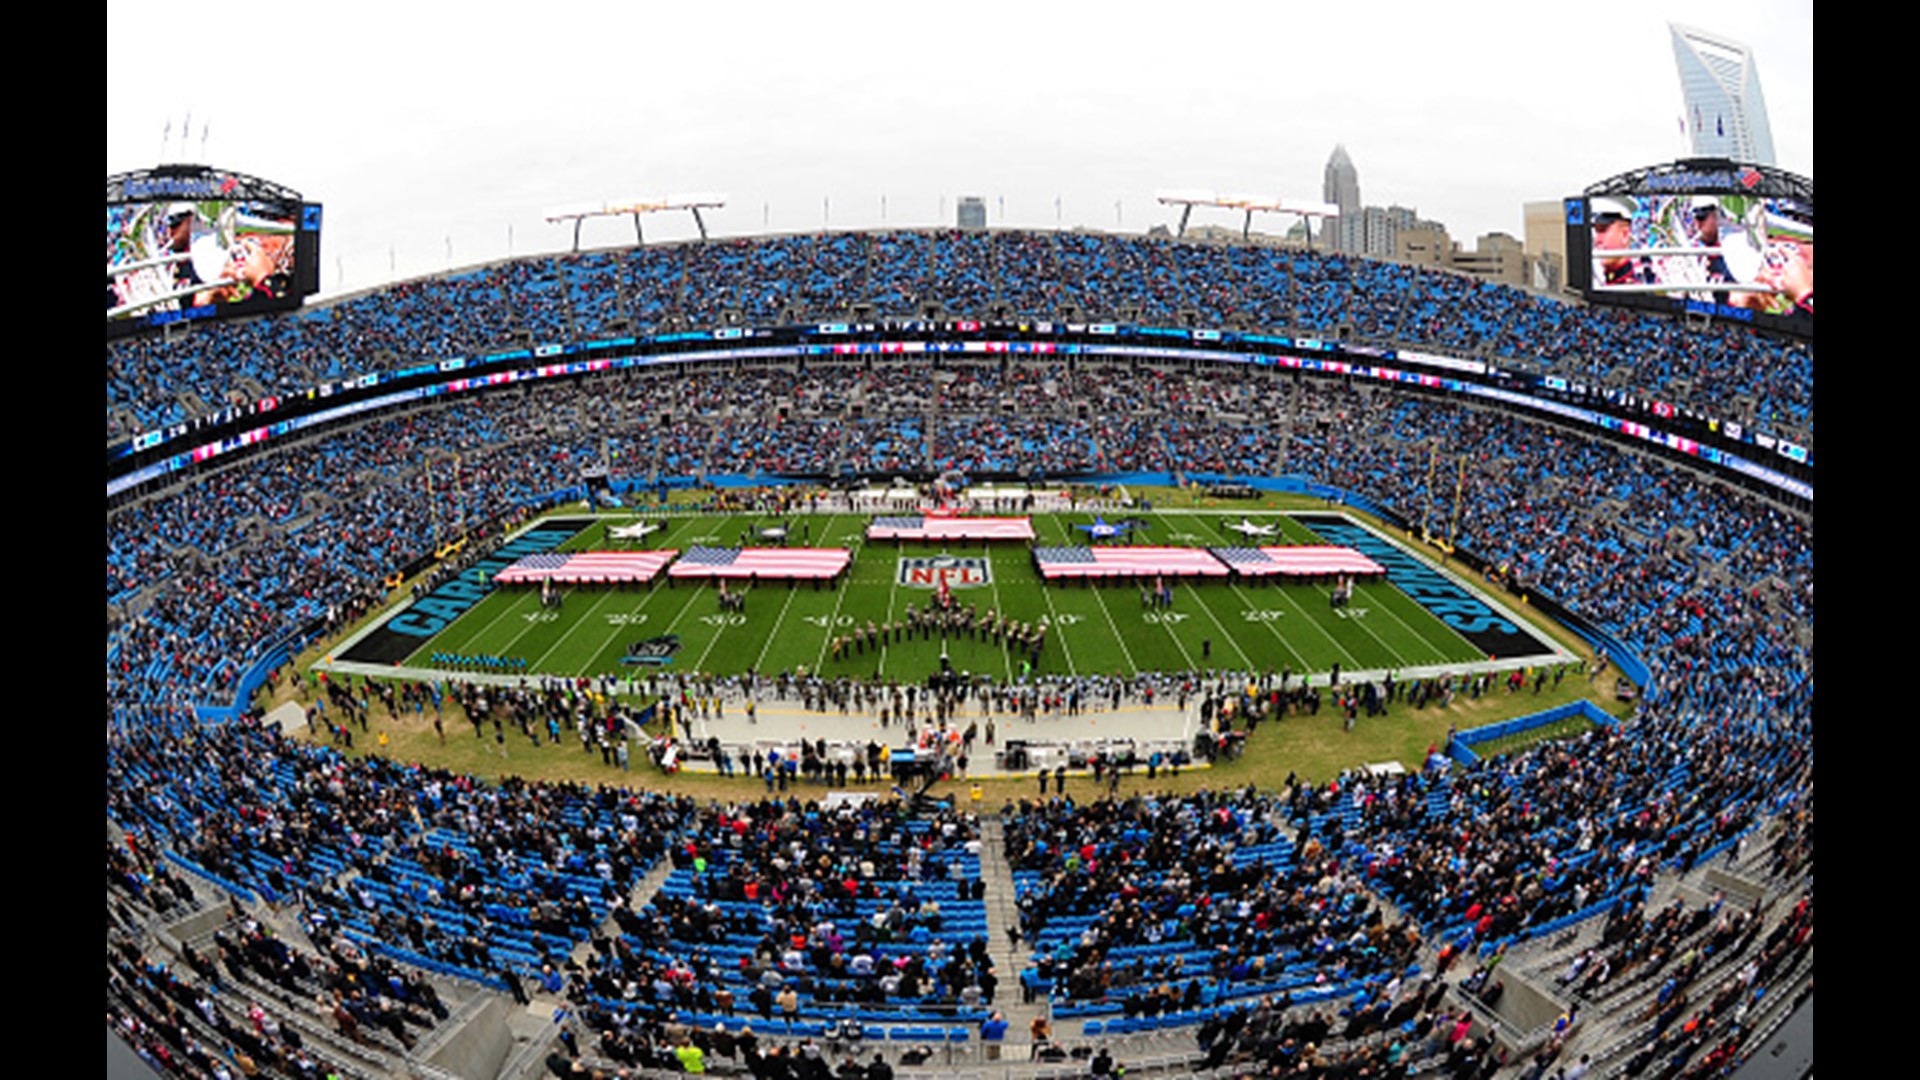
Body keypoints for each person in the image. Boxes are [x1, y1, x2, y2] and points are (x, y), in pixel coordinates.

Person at [1591, 196, 1651, 287]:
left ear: (1625, 235)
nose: (1597, 240)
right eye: (1596, 231)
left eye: (1603, 230)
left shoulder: (1635, 290)